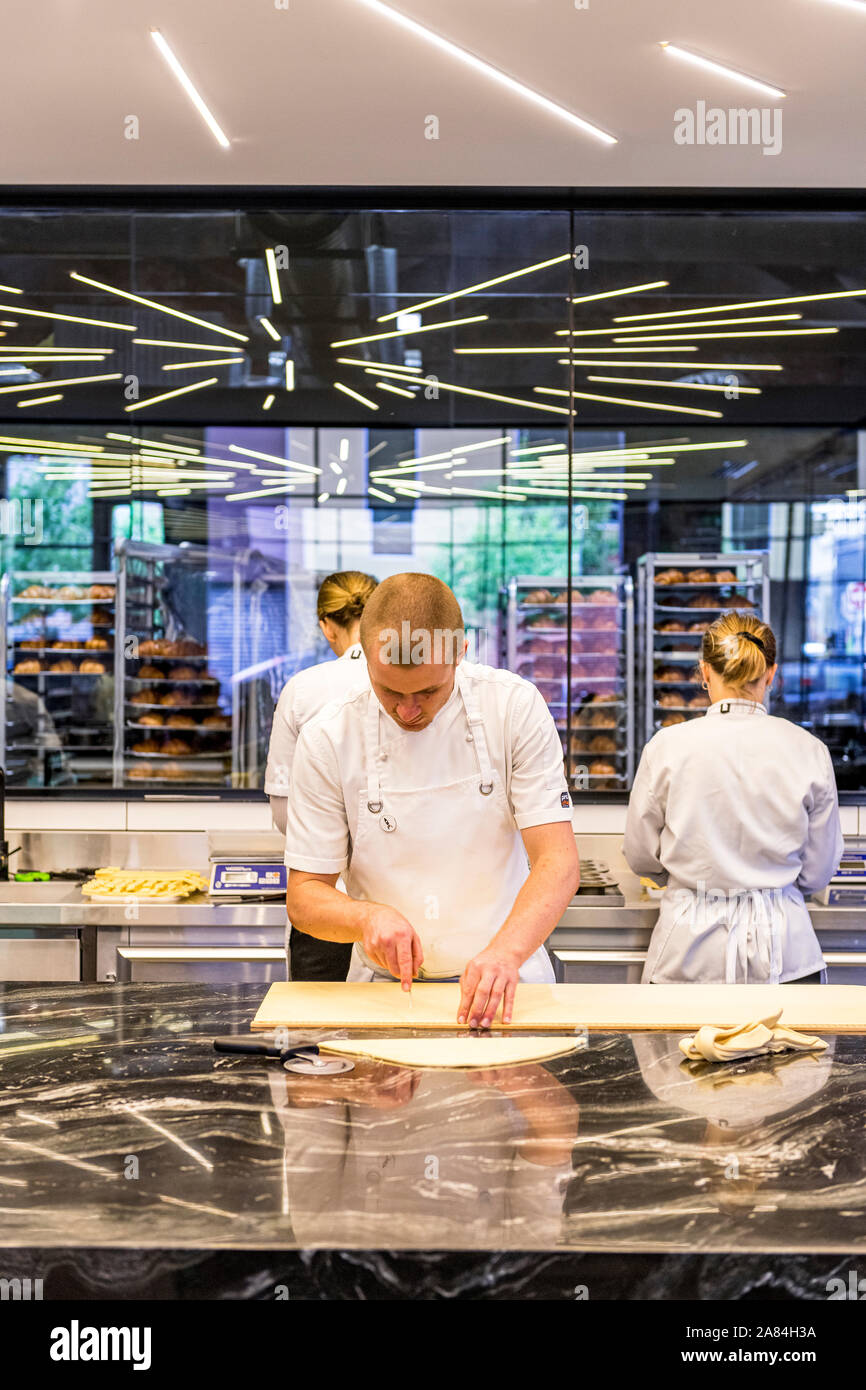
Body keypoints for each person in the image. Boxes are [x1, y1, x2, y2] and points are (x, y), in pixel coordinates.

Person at [283, 572, 580, 1028]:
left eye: (427, 691)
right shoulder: (328, 737)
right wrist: (366, 918)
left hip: (508, 984)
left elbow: (557, 861)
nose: (407, 710)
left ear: (460, 653)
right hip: (383, 996)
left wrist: (505, 952)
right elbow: (305, 897)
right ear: (365, 662)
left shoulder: (514, 709)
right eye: (389, 692)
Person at [624, 611, 843, 984]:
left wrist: (687, 879)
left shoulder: (667, 746)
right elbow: (818, 869)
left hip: (689, 955)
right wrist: (772, 884)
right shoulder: (809, 750)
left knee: (675, 1046)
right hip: (785, 955)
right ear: (771, 674)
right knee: (789, 1045)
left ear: (705, 672)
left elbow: (642, 856)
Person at [265, 569, 377, 981]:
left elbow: (285, 813)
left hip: (325, 903)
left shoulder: (304, 689)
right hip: (399, 908)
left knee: (317, 1038)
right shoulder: (417, 681)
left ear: (326, 626)